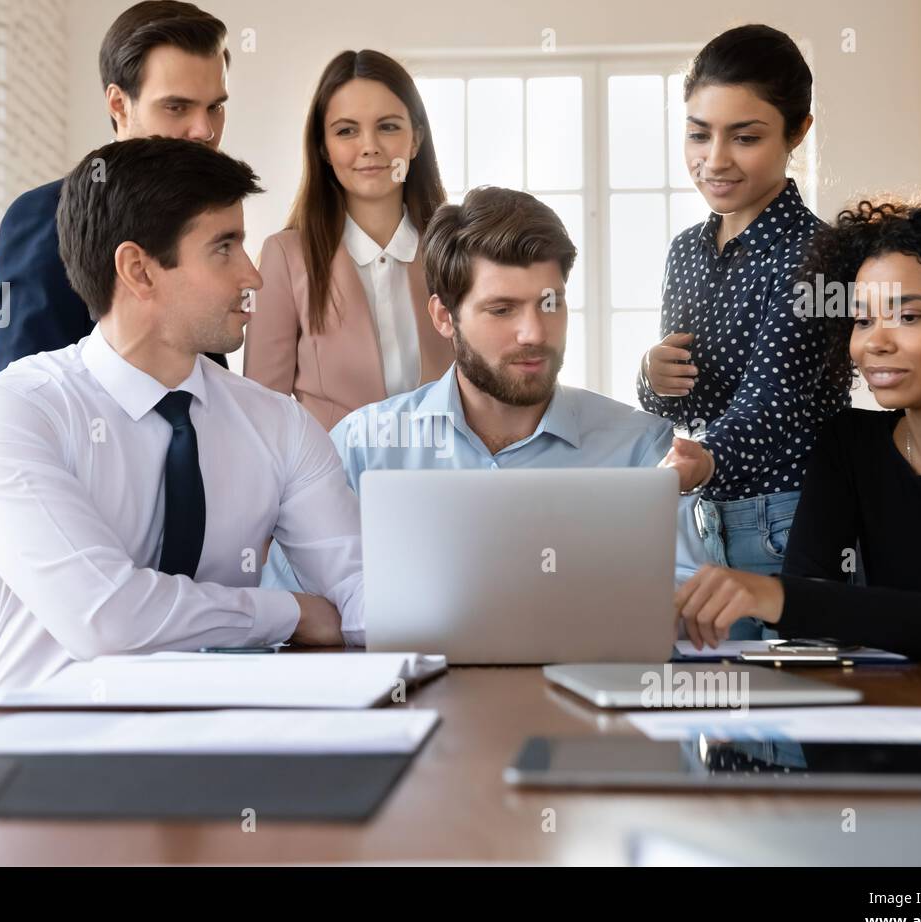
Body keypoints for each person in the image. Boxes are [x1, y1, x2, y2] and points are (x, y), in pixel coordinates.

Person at [0, 138, 365, 703]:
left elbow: (358, 594)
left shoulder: (279, 426)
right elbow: (106, 620)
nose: (254, 276)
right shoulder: (12, 415)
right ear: (139, 270)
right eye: (224, 248)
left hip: (226, 749)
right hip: (48, 763)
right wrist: (287, 612)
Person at [675, 185, 921, 675]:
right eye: (863, 320)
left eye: (909, 316)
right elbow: (807, 627)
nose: (875, 343)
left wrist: (777, 595)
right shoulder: (848, 444)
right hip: (887, 727)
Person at [264, 186, 709, 592]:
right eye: (502, 309)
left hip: (576, 681)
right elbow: (291, 599)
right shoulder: (363, 447)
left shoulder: (640, 447)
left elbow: (694, 612)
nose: (534, 333)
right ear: (443, 317)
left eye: (549, 303)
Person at [637, 24, 847, 639]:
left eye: (746, 137)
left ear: (798, 133)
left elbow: (774, 404)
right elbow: (680, 396)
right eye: (699, 134)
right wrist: (651, 376)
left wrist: (701, 461)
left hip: (786, 523)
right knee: (723, 719)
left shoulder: (819, 254)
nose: (715, 159)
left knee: (785, 719)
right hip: (706, 518)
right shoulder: (687, 251)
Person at [0, 1, 234, 373]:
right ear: (119, 104)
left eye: (214, 106)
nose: (205, 130)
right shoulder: (44, 217)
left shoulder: (209, 220)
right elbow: (23, 394)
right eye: (177, 107)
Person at [243, 50, 453, 431]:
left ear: (416, 139)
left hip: (443, 482)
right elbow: (263, 415)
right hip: (330, 485)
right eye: (346, 130)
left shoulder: (459, 250)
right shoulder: (286, 258)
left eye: (388, 126)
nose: (369, 146)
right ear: (323, 147)